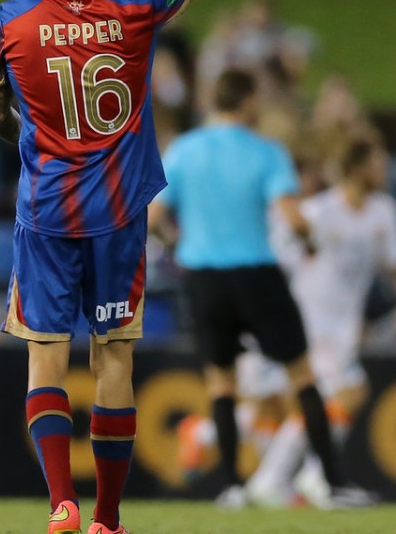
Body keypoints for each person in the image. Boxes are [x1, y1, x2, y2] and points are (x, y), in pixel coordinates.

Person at [0, 0, 346, 534]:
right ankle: (108, 518)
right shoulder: (138, 0)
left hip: (46, 214)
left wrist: (33, 138)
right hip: (118, 215)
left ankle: (61, 500)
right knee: (113, 358)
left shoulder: (13, 20)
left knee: (46, 355)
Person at [149, 70, 372, 510]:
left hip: (203, 278)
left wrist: (184, 247)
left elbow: (155, 219)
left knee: (221, 384)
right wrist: (308, 243)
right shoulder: (266, 152)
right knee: (303, 377)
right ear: (248, 101)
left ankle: (232, 486)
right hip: (256, 273)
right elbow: (293, 218)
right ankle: (330, 481)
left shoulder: (184, 150)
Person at [245, 138, 396, 506]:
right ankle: (312, 477)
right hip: (310, 317)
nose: (385, 170)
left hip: (344, 322)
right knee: (347, 392)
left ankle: (272, 479)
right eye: (379, 162)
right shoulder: (319, 211)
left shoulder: (384, 211)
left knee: (316, 400)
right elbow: (278, 255)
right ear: (359, 167)